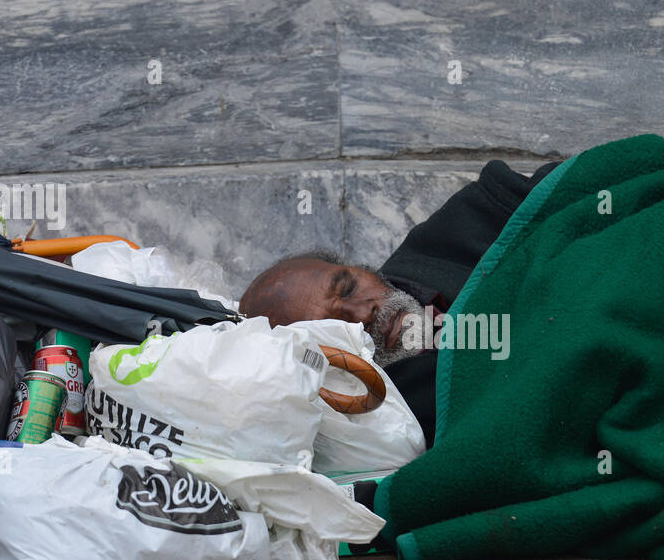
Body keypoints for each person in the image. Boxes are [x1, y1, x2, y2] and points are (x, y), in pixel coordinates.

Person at [239, 158, 561, 451]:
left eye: (349, 287)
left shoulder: (457, 231)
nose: (364, 313)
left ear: (362, 267)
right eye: (335, 328)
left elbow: (576, 187)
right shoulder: (391, 431)